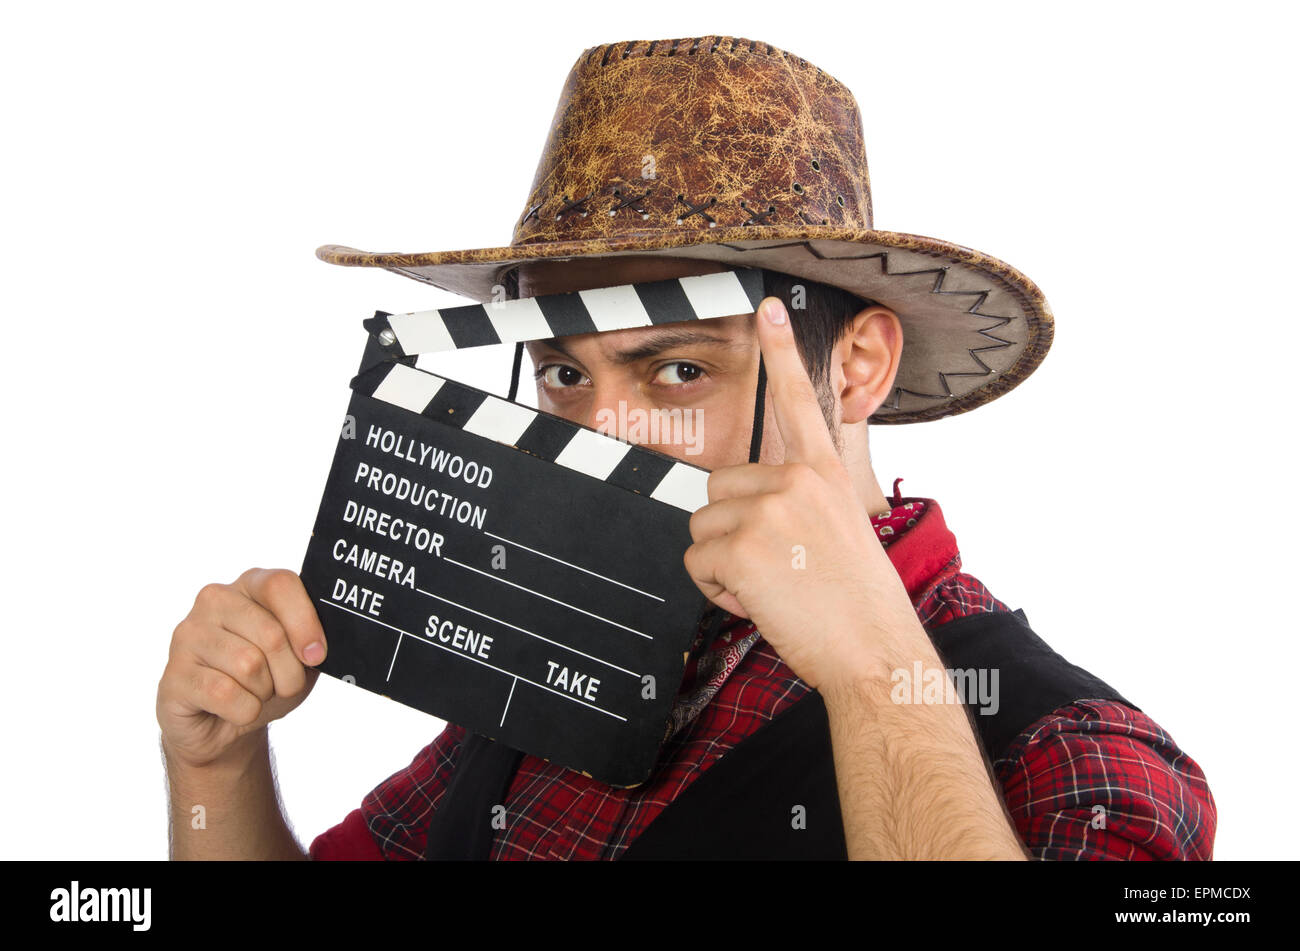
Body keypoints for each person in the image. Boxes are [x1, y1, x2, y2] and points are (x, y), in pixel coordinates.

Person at [156, 35, 1216, 860]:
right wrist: (217, 767)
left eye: (678, 371)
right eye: (567, 374)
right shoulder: (558, 654)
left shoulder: (1073, 752)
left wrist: (872, 669)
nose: (609, 428)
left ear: (854, 370)